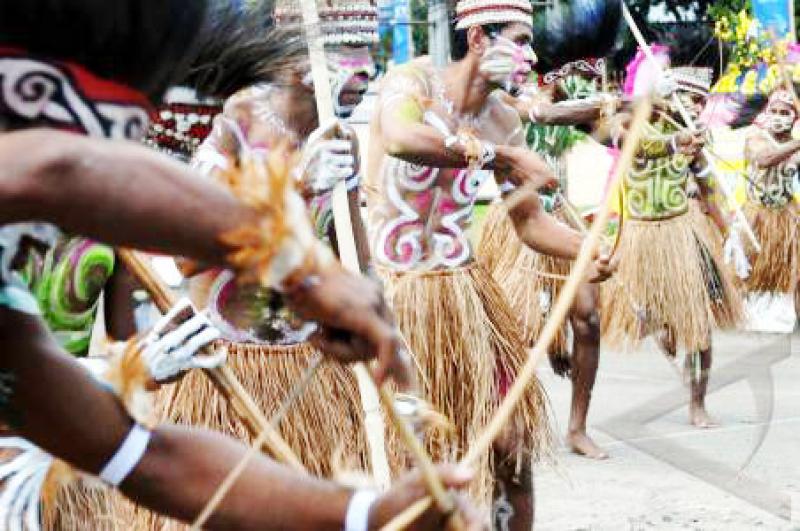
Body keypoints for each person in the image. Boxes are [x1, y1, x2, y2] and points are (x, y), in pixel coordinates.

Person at [0, 1, 482, 528]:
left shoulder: (11, 330)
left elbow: (154, 463)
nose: (56, 229)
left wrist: (367, 513)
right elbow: (62, 172)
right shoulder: (53, 170)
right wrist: (297, 262)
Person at [365, 0, 613, 527]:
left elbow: (530, 223)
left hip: (466, 297)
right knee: (418, 457)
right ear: (479, 38)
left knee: (512, 442)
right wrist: (501, 157)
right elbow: (402, 139)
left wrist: (585, 248)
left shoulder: (502, 118)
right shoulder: (411, 83)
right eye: (520, 41)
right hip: (395, 297)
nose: (531, 54)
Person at [141, 0, 387, 498]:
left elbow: (355, 262)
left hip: (310, 371)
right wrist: (297, 183)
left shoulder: (339, 139)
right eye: (348, 50)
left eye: (371, 49)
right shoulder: (236, 120)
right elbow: (191, 250)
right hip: (229, 370)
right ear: (297, 61)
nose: (367, 69)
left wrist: (375, 314)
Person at [479, 58, 618, 460]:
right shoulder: (503, 101)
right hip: (514, 223)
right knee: (516, 326)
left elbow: (612, 135)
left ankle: (577, 428)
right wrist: (617, 99)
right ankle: (503, 421)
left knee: (588, 320)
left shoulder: (578, 109)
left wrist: (632, 113)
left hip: (560, 220)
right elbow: (543, 112)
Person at [601, 65, 744, 428]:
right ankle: (667, 334)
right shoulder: (633, 129)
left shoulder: (695, 141)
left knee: (698, 325)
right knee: (658, 322)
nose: (696, 108)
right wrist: (649, 98)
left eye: (700, 101)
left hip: (681, 233)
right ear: (667, 98)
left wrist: (731, 234)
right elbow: (628, 130)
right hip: (641, 237)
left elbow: (709, 192)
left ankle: (698, 403)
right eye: (689, 99)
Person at [738, 89, 800, 312]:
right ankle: (736, 315)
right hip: (756, 215)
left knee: (798, 270)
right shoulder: (755, 138)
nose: (777, 116)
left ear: (794, 117)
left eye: (784, 112)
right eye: (773, 111)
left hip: (786, 215)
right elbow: (765, 159)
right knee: (743, 269)